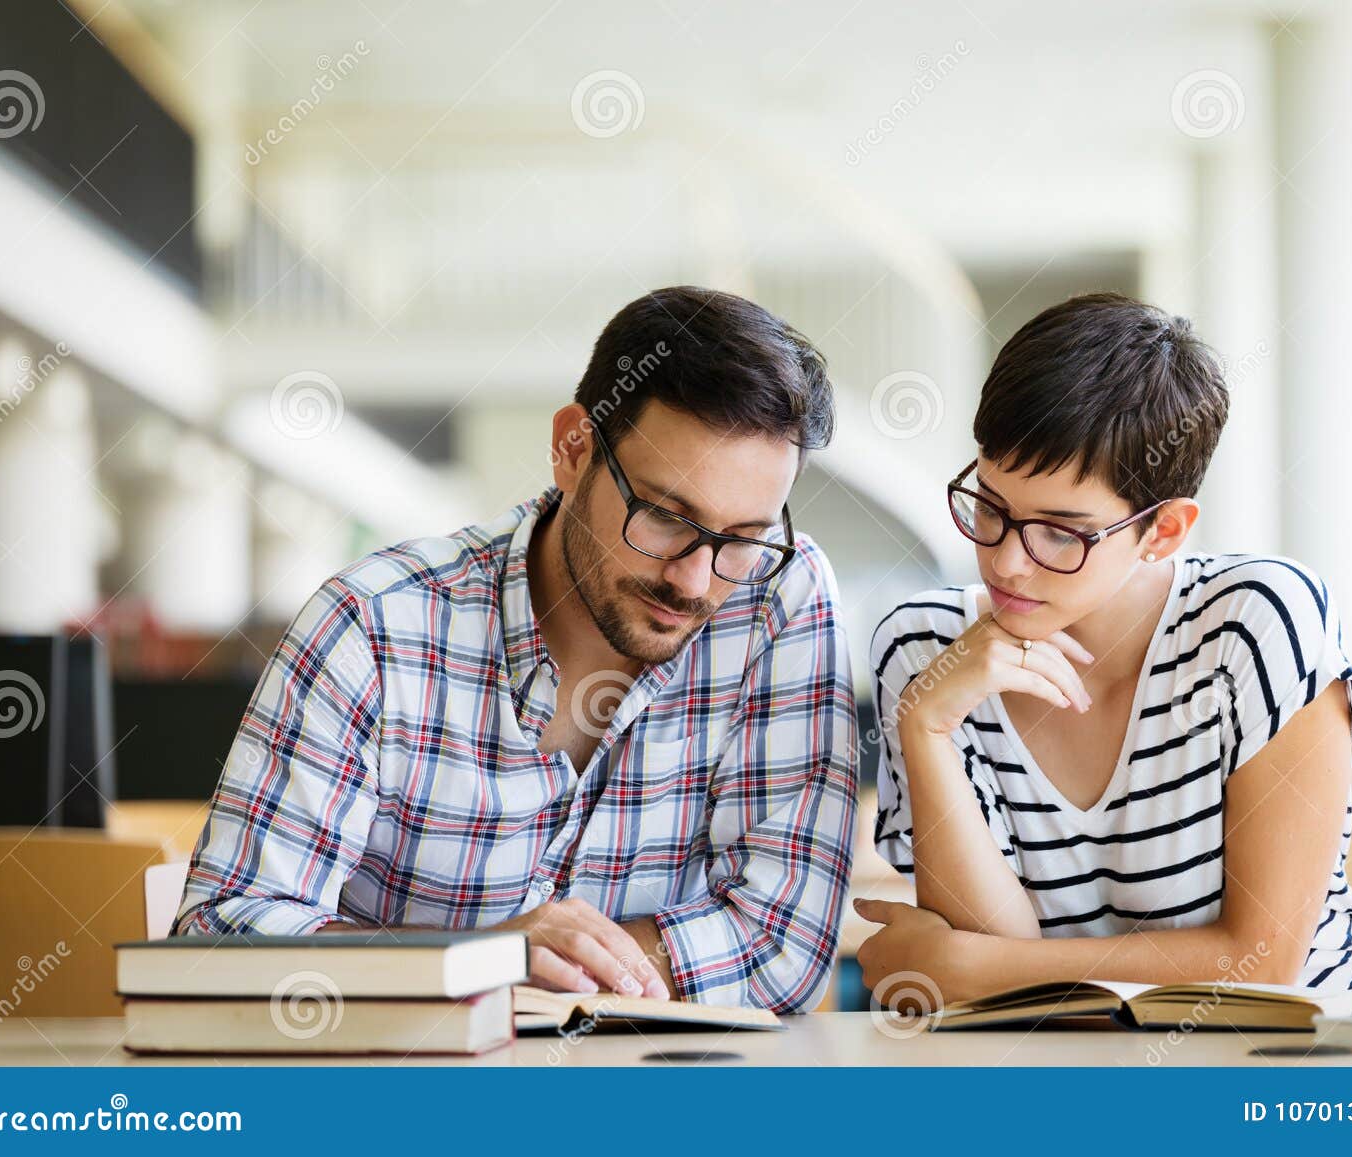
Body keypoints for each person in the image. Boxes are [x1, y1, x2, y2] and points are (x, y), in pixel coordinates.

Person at [174, 286, 859, 1014]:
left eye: (742, 538)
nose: (694, 579)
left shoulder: (778, 598)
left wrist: (552, 965)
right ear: (573, 450)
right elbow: (218, 941)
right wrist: (483, 962)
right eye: (663, 515)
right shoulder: (375, 624)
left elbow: (785, 948)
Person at [856, 292, 1352, 1006]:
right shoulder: (923, 648)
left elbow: (1260, 960)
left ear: (1163, 530)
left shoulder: (1257, 624)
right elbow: (989, 962)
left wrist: (978, 970)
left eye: (1061, 532)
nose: (1007, 562)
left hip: (1283, 1064)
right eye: (990, 507)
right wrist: (926, 724)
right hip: (1059, 1066)